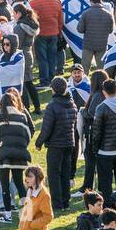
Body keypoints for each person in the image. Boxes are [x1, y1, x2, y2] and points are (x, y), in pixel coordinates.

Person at [0, 88, 33, 223]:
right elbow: (27, 134)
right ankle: (27, 215)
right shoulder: (21, 116)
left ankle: (7, 215)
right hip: (20, 155)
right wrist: (20, 146)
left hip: (3, 155)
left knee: (4, 185)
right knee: (20, 185)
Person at [34, 75, 77, 212]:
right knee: (65, 172)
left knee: (54, 174)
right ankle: (66, 201)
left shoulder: (52, 106)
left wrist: (39, 142)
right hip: (69, 143)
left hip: (55, 145)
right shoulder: (72, 104)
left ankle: (57, 204)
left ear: (53, 89)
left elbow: (46, 128)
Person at [18, 163, 53, 230]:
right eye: (26, 176)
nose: (26, 179)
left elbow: (48, 216)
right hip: (29, 229)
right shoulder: (30, 190)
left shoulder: (44, 195)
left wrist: (33, 224)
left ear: (38, 178)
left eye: (30, 176)